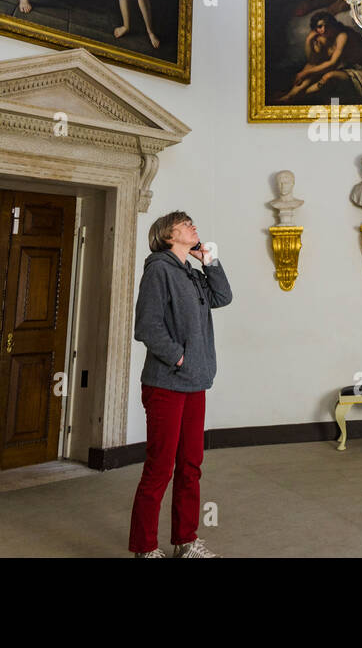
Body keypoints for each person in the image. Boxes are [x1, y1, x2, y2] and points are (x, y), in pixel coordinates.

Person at [129, 211, 233, 558]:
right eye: (186, 224)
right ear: (168, 235)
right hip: (166, 384)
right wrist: (179, 357)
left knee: (190, 464)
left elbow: (223, 297)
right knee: (160, 467)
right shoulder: (159, 269)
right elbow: (146, 326)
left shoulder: (190, 272)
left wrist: (210, 262)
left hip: (195, 383)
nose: (194, 227)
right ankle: (145, 548)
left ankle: (185, 542)